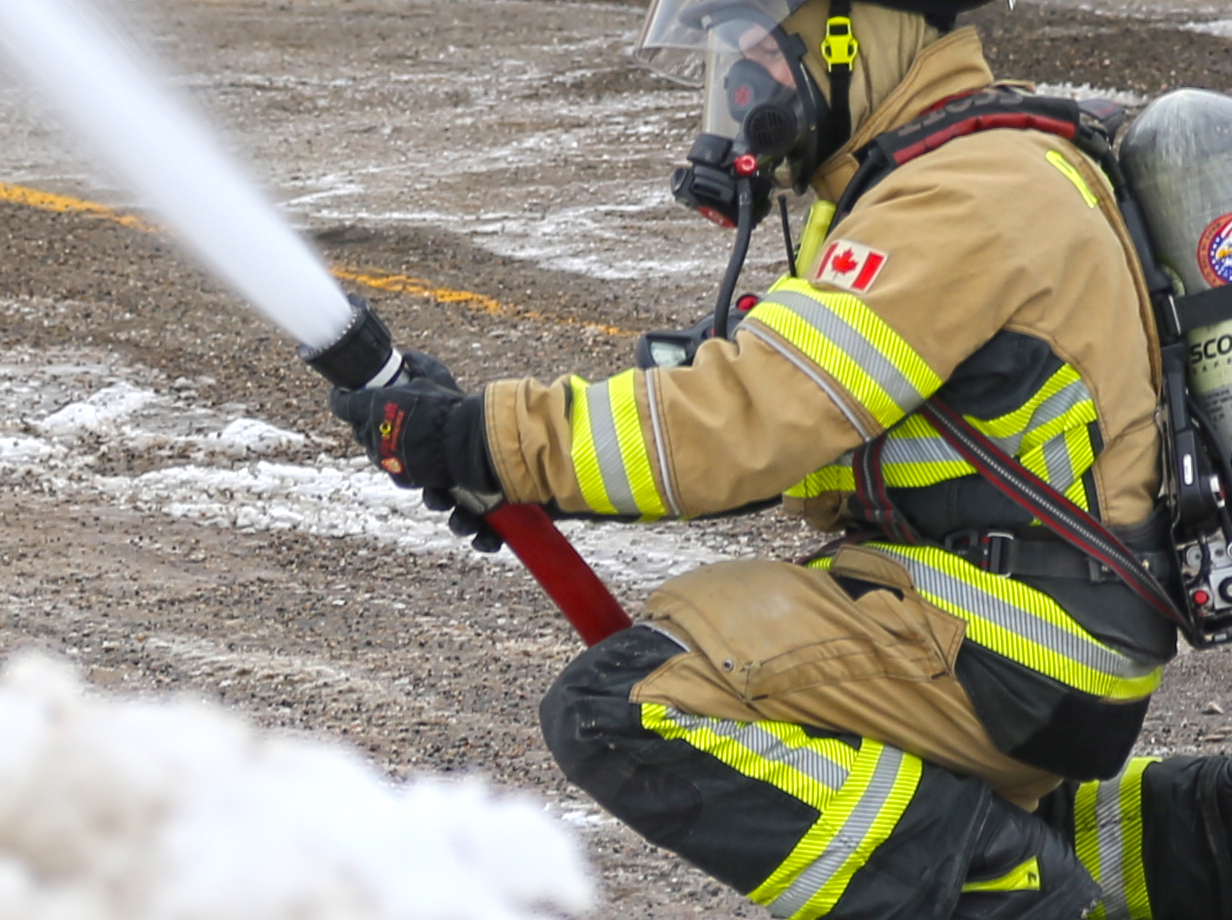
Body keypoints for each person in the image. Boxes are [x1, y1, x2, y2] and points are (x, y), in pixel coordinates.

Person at [329, 1, 1232, 917]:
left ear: (851, 37)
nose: (737, 86)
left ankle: (1017, 899)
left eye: (749, 46)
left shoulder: (961, 195)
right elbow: (810, 439)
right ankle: (1195, 845)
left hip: (1010, 644)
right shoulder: (953, 165)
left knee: (630, 704)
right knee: (902, 791)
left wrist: (486, 438)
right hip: (1037, 624)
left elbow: (752, 417)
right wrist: (528, 476)